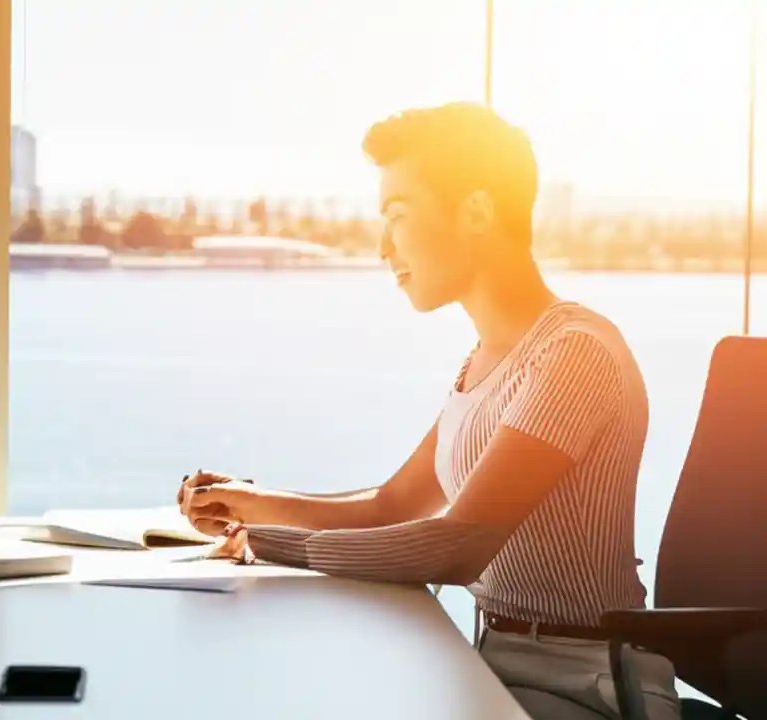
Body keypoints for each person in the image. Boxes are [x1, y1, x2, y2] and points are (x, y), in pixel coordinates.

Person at [178, 103, 680, 720]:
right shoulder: (487, 359)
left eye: (398, 216)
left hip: (587, 686)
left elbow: (456, 545)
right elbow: (391, 508)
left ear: (475, 210)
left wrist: (263, 543)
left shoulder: (573, 354)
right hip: (498, 666)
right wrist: (246, 503)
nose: (384, 245)